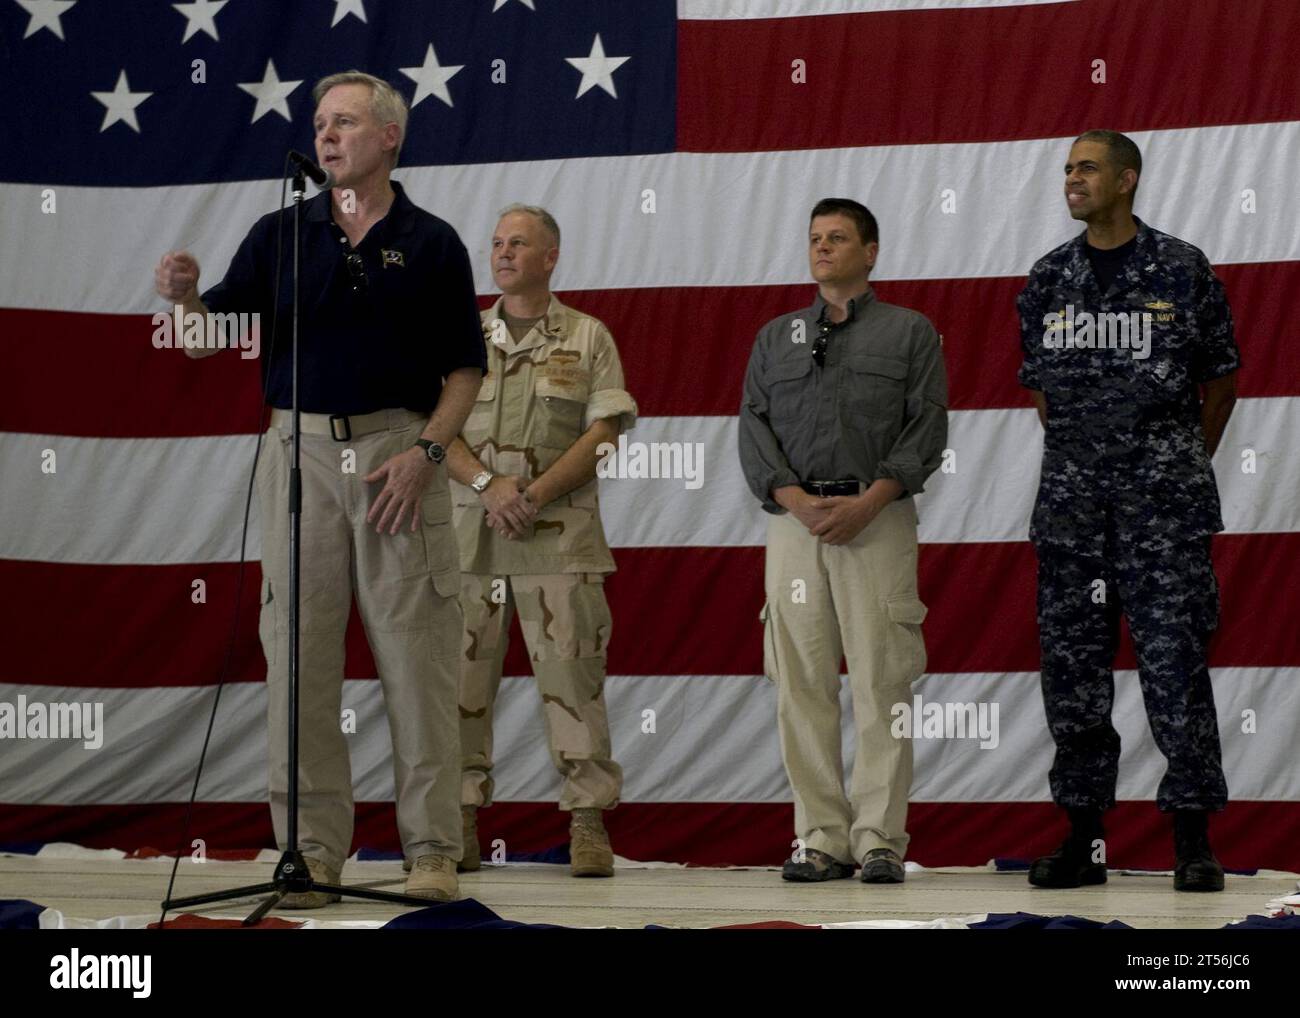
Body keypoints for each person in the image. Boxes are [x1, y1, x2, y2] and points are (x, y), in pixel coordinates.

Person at [152, 70, 485, 905]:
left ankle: (434, 851)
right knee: (297, 658)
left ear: (389, 138)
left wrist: (429, 454)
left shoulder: (433, 239)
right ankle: (310, 853)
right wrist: (187, 299)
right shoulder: (282, 232)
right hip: (297, 456)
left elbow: (464, 370)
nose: (327, 135)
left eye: (345, 122)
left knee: (419, 660)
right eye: (320, 123)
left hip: (397, 458)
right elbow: (203, 344)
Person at [1017, 130, 1240, 892]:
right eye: (1068, 169)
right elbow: (1044, 394)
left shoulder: (1182, 269)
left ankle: (1192, 842)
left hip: (1164, 514)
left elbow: (1219, 383)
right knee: (1074, 674)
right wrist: (1095, 464)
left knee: (1175, 670)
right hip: (1074, 514)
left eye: (1087, 167)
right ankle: (1083, 838)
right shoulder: (1049, 279)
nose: (1072, 179)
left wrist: (1169, 465)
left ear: (1126, 179)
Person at [738, 198, 948, 884]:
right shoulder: (775, 338)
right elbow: (754, 428)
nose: (822, 249)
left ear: (872, 251)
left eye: (837, 239)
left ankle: (881, 838)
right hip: (794, 525)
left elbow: (927, 427)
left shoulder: (910, 333)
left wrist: (872, 500)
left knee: (882, 678)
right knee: (800, 682)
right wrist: (795, 500)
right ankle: (820, 838)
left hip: (877, 517)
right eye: (814, 239)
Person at [445, 205, 636, 877]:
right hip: (471, 539)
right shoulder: (461, 336)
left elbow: (604, 433)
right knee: (460, 683)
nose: (502, 253)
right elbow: (438, 432)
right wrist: (489, 487)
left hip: (559, 537)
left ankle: (587, 822)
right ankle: (458, 821)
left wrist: (532, 495)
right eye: (497, 243)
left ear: (550, 256)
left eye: (518, 243)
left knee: (572, 677)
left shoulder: (587, 338)